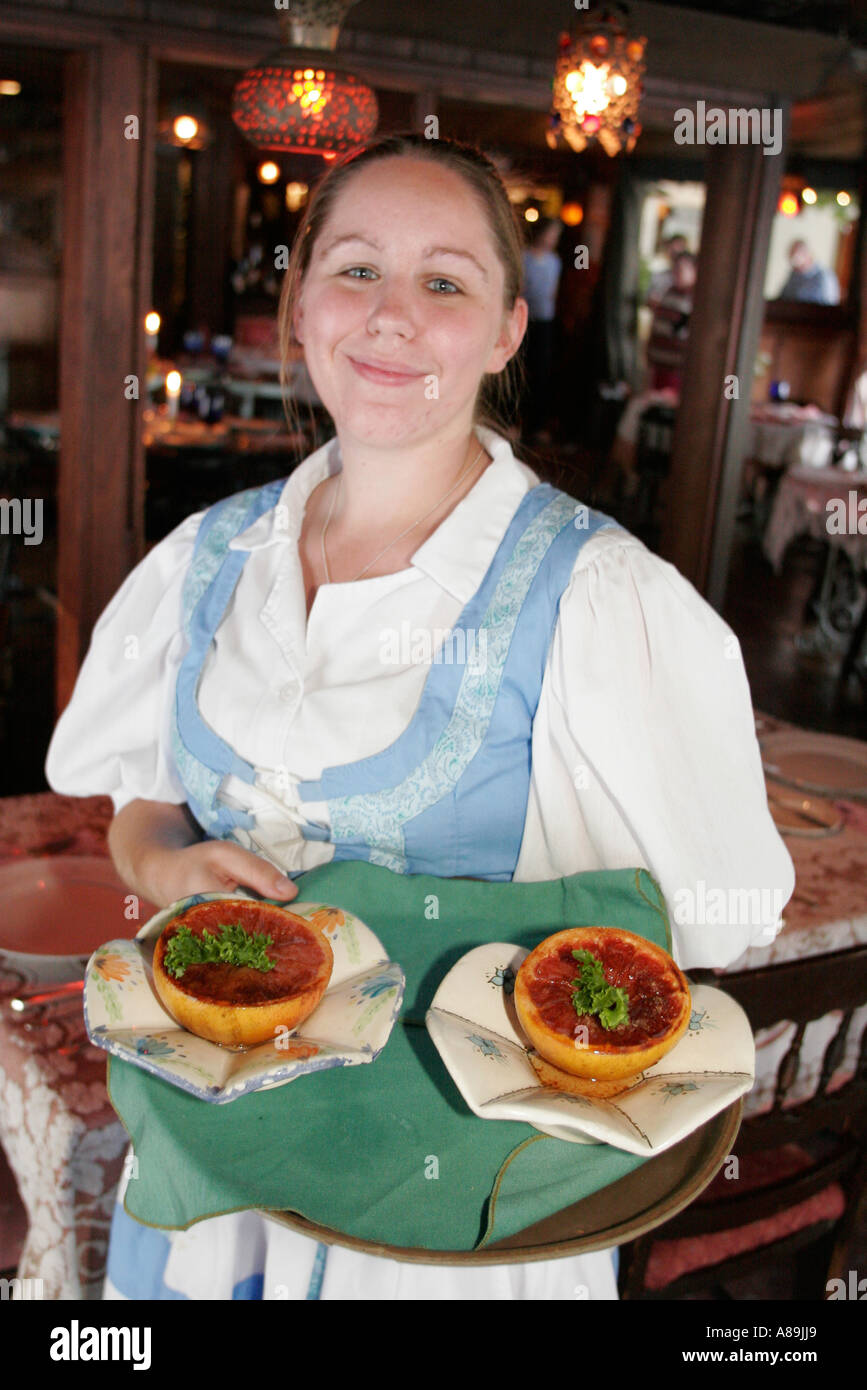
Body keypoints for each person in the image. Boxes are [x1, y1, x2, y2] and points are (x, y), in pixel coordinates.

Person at [46, 133, 793, 1301]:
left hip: (444, 1235)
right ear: (300, 306)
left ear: (504, 330)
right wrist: (167, 861)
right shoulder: (209, 556)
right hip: (210, 1174)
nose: (390, 316)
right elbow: (141, 804)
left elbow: (717, 922)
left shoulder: (599, 602)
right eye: (354, 269)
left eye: (444, 281)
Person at [520, 217, 562, 439]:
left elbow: (553, 292)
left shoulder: (555, 261)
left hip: (545, 320)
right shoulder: (522, 257)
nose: (552, 239)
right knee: (518, 369)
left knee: (541, 371)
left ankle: (535, 425)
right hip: (523, 319)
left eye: (556, 235)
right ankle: (512, 422)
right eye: (551, 233)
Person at [645, 250, 697, 392]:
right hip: (658, 361)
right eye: (675, 268)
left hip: (676, 368)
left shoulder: (694, 298)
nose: (676, 272)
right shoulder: (668, 291)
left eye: (681, 268)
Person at [778, 240, 840, 306]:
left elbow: (831, 306)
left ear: (806, 254)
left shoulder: (825, 276)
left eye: (795, 258)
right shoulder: (793, 274)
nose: (793, 265)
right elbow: (782, 298)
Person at [645, 233, 688, 309]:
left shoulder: (689, 280)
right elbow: (649, 301)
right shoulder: (659, 276)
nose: (676, 254)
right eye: (672, 250)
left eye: (679, 249)